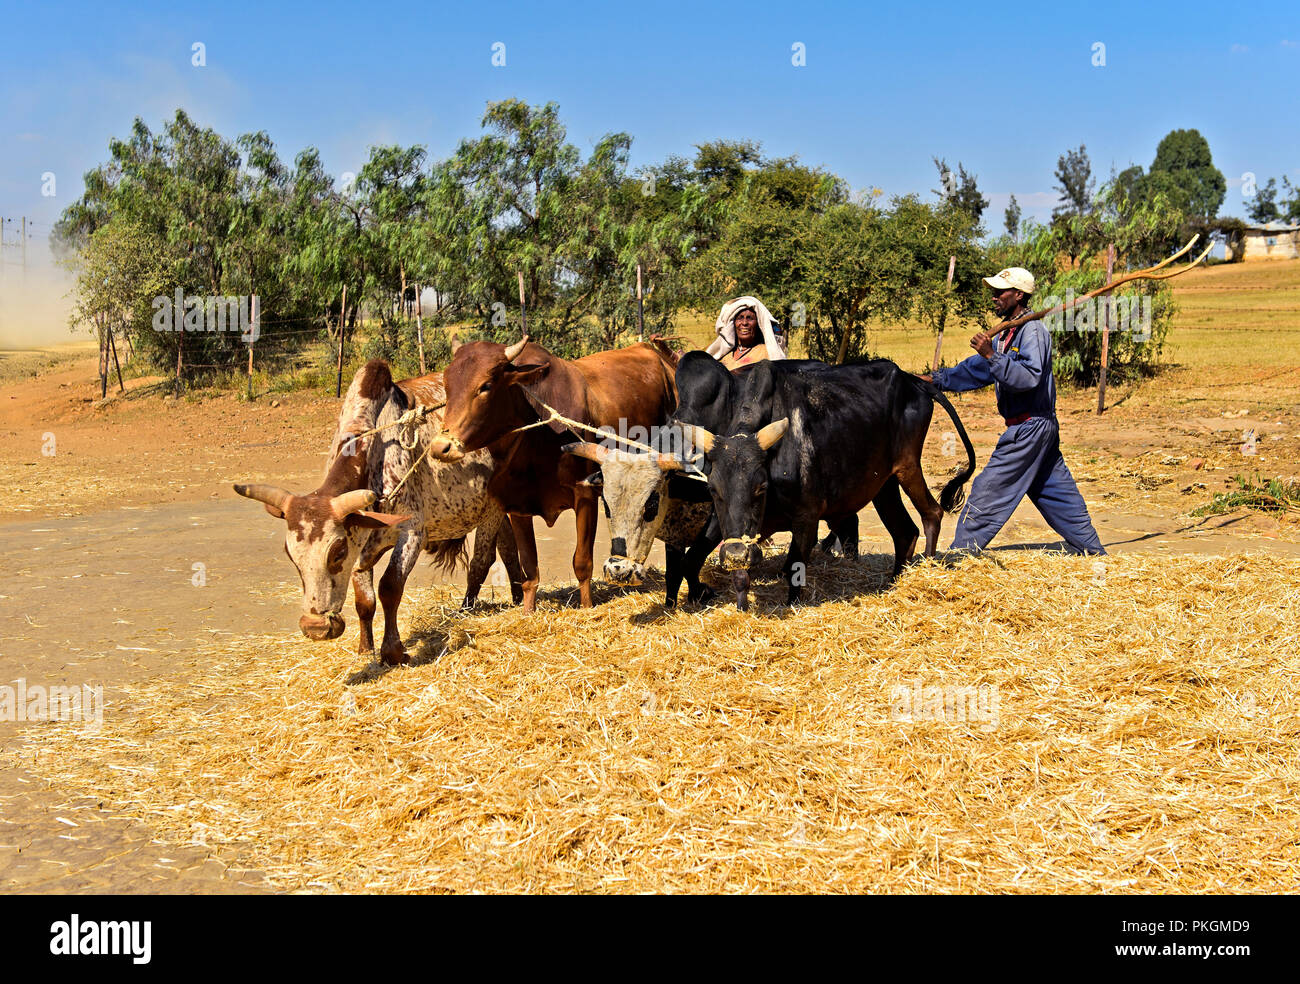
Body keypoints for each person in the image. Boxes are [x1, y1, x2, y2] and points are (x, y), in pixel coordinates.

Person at [919, 267, 1106, 555]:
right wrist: (937, 380)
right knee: (1055, 493)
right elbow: (978, 370)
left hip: (1030, 427)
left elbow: (1029, 377)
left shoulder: (1032, 331)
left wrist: (992, 355)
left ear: (1019, 295)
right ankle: (1092, 551)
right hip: (1034, 427)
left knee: (988, 491)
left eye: (1000, 292)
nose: (993, 297)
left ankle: (960, 556)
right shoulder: (1009, 332)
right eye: (993, 291)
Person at [706, 296, 787, 370]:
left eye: (750, 318)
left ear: (758, 324)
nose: (744, 323)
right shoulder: (721, 356)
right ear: (733, 324)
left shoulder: (767, 354)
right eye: (740, 318)